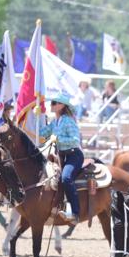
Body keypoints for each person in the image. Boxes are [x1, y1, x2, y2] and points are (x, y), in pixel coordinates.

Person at [41, 93, 83, 224]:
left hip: (73, 156)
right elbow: (42, 133)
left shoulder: (68, 120)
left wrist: (58, 139)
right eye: (52, 103)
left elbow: (75, 140)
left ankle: (75, 213)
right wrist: (33, 120)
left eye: (54, 103)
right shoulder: (55, 122)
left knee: (66, 178)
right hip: (61, 157)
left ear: (61, 106)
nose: (51, 105)